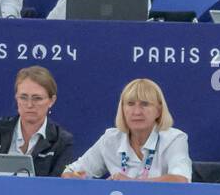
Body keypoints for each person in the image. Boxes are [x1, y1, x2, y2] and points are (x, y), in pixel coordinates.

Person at [62, 77, 191, 181]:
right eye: (130, 104)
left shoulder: (174, 139)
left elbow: (180, 180)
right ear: (122, 109)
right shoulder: (110, 139)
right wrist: (77, 179)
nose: (136, 112)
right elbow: (70, 173)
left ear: (159, 110)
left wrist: (132, 184)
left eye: (144, 104)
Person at [0, 66, 74, 174]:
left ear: (51, 101)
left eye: (37, 98)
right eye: (23, 97)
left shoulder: (62, 141)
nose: (29, 105)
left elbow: (59, 187)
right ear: (16, 98)